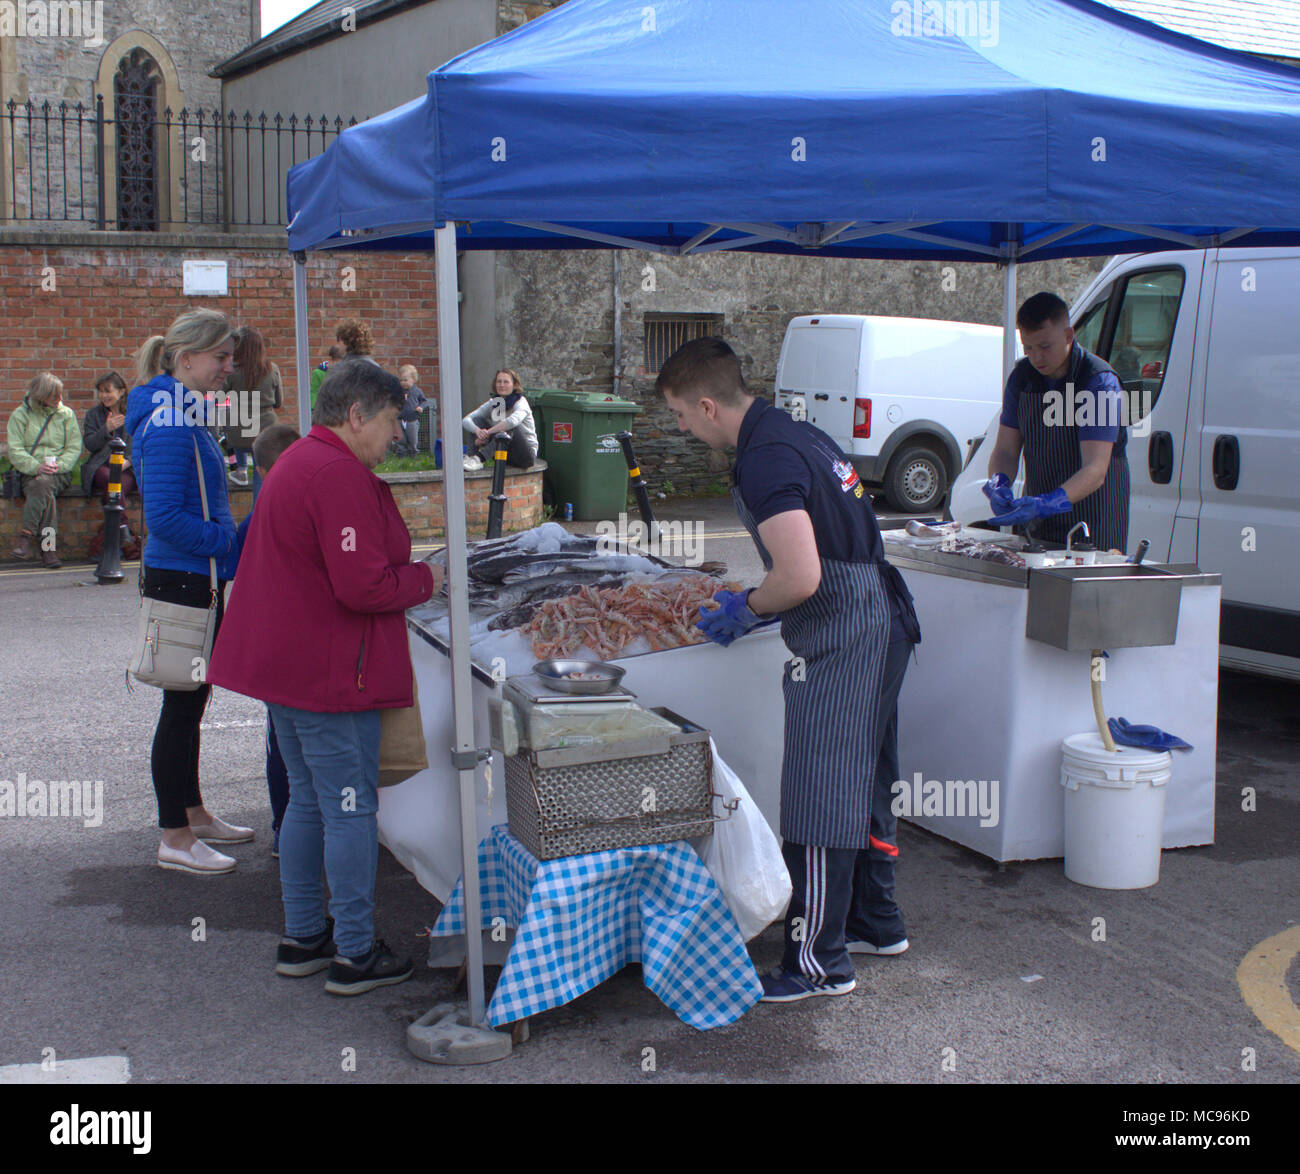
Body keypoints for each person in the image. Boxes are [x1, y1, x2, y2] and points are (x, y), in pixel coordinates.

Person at [657, 337, 921, 1004]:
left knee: (821, 790)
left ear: (708, 405)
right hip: (877, 613)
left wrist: (747, 607)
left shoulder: (766, 457)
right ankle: (874, 921)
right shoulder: (801, 435)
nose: (683, 431)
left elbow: (800, 575)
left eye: (681, 418)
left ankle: (817, 961)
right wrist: (767, 601)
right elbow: (826, 550)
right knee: (865, 778)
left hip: (847, 629)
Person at [208, 359, 441, 996]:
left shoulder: (300, 462)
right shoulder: (338, 473)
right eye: (393, 420)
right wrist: (428, 579)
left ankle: (305, 936)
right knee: (349, 810)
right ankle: (356, 953)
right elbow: (363, 585)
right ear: (358, 414)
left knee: (310, 802)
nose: (397, 435)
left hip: (289, 667)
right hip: (330, 671)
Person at [125, 310, 248, 875]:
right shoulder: (173, 424)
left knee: (192, 700)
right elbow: (166, 517)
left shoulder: (179, 414)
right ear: (185, 359)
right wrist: (226, 541)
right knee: (181, 705)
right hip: (185, 578)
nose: (229, 367)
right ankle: (174, 835)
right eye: (221, 356)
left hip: (192, 576)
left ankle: (192, 812)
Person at [983, 291, 1130, 552]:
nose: (1036, 357)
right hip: (1038, 528)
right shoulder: (1022, 379)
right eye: (1028, 348)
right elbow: (1005, 449)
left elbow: (1095, 469)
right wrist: (998, 483)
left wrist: (1049, 503)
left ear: (1068, 336)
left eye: (1045, 347)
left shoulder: (1098, 382)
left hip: (1093, 527)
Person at [231, 423, 301, 859]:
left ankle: (283, 828)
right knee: (304, 747)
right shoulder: (307, 505)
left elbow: (233, 561)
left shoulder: (254, 519)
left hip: (268, 642)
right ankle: (295, 829)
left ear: (258, 470)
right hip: (297, 643)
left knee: (280, 743)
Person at [7, 372, 82, 569]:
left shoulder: (66, 414)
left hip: (59, 473)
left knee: (44, 484)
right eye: (54, 396)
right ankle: (48, 549)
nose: (60, 399)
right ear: (40, 396)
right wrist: (36, 466)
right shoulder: (20, 416)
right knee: (43, 486)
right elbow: (15, 450)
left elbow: (74, 447)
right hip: (31, 473)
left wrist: (60, 466)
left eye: (60, 395)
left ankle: (26, 535)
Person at [82, 371, 142, 562]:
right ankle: (127, 537)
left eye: (108, 391)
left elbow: (141, 441)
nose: (104, 396)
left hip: (126, 469)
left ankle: (100, 547)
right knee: (111, 482)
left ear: (122, 391)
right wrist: (106, 430)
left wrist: (130, 461)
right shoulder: (94, 415)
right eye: (100, 392)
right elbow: (90, 444)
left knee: (114, 492)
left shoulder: (134, 413)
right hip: (101, 467)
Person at [221, 326, 282, 496]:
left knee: (228, 417)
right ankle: (258, 514)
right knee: (260, 471)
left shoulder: (232, 370)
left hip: (238, 432)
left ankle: (240, 468)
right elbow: (279, 402)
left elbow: (218, 395)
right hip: (265, 431)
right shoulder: (272, 369)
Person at [462, 368, 537, 469]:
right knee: (477, 421)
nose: (501, 385)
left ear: (515, 385)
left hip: (525, 456)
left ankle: (478, 459)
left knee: (509, 428)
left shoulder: (521, 402)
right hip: (503, 452)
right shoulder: (497, 403)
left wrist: (488, 433)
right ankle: (470, 459)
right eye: (499, 381)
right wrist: (478, 432)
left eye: (506, 382)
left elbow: (512, 422)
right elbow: (466, 420)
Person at [396, 364, 429, 456]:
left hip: (412, 420)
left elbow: (424, 401)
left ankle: (413, 455)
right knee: (401, 440)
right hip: (400, 419)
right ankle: (401, 456)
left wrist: (421, 407)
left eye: (405, 380)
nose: (403, 383)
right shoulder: (399, 391)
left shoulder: (417, 391)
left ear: (413, 379)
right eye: (401, 380)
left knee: (413, 440)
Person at [309, 343, 347, 410]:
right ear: (330, 360)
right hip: (324, 409)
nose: (341, 366)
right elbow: (314, 392)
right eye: (338, 363)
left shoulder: (345, 372)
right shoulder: (318, 373)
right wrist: (314, 408)